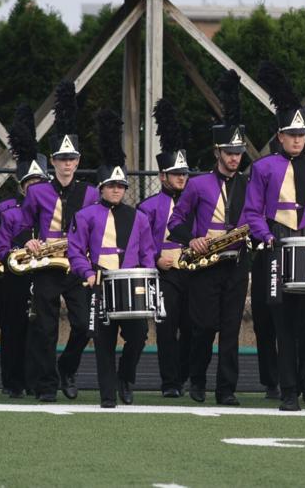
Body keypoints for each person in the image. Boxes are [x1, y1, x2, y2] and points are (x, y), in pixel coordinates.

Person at [246, 61, 305, 411]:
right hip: (276, 248)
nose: (296, 140)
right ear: (279, 136)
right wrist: (267, 238)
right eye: (290, 135)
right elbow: (252, 212)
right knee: (282, 323)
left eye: (301, 135)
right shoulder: (263, 167)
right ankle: (287, 391)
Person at [168, 69, 252, 406]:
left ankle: (226, 390)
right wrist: (192, 240)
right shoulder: (198, 184)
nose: (234, 158)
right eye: (229, 152)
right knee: (203, 327)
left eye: (239, 152)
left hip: (237, 262)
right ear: (218, 151)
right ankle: (197, 380)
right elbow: (176, 222)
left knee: (231, 331)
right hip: (205, 263)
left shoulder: (250, 185)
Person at [68, 107, 154, 408]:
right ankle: (107, 395)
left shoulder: (139, 217)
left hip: (129, 284)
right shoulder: (85, 215)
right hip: (99, 282)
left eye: (120, 186)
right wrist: (86, 273)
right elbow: (75, 249)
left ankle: (125, 378)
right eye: (111, 186)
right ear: (102, 188)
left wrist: (147, 274)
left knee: (139, 335)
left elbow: (147, 253)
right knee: (102, 342)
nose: (116, 190)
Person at [19, 81, 98, 402]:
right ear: (52, 161)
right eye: (62, 158)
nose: (67, 163)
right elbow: (24, 226)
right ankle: (47, 386)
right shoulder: (37, 191)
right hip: (47, 265)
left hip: (77, 268)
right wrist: (30, 242)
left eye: (72, 158)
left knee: (84, 327)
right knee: (45, 329)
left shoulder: (90, 192)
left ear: (78, 161)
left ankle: (67, 368)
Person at [0, 104, 50, 398]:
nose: (36, 188)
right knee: (12, 329)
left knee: (40, 331)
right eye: (30, 183)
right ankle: (12, 382)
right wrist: (20, 249)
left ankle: (37, 381)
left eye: (40, 183)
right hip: (13, 277)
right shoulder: (8, 210)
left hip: (43, 275)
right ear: (22, 187)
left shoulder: (54, 211)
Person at [138, 99, 193, 399]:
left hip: (193, 272)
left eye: (184, 173)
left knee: (192, 327)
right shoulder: (147, 207)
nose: (181, 178)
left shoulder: (197, 204)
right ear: (162, 176)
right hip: (165, 275)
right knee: (166, 329)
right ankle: (169, 382)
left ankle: (184, 376)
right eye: (175, 174)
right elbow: (143, 243)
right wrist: (157, 259)